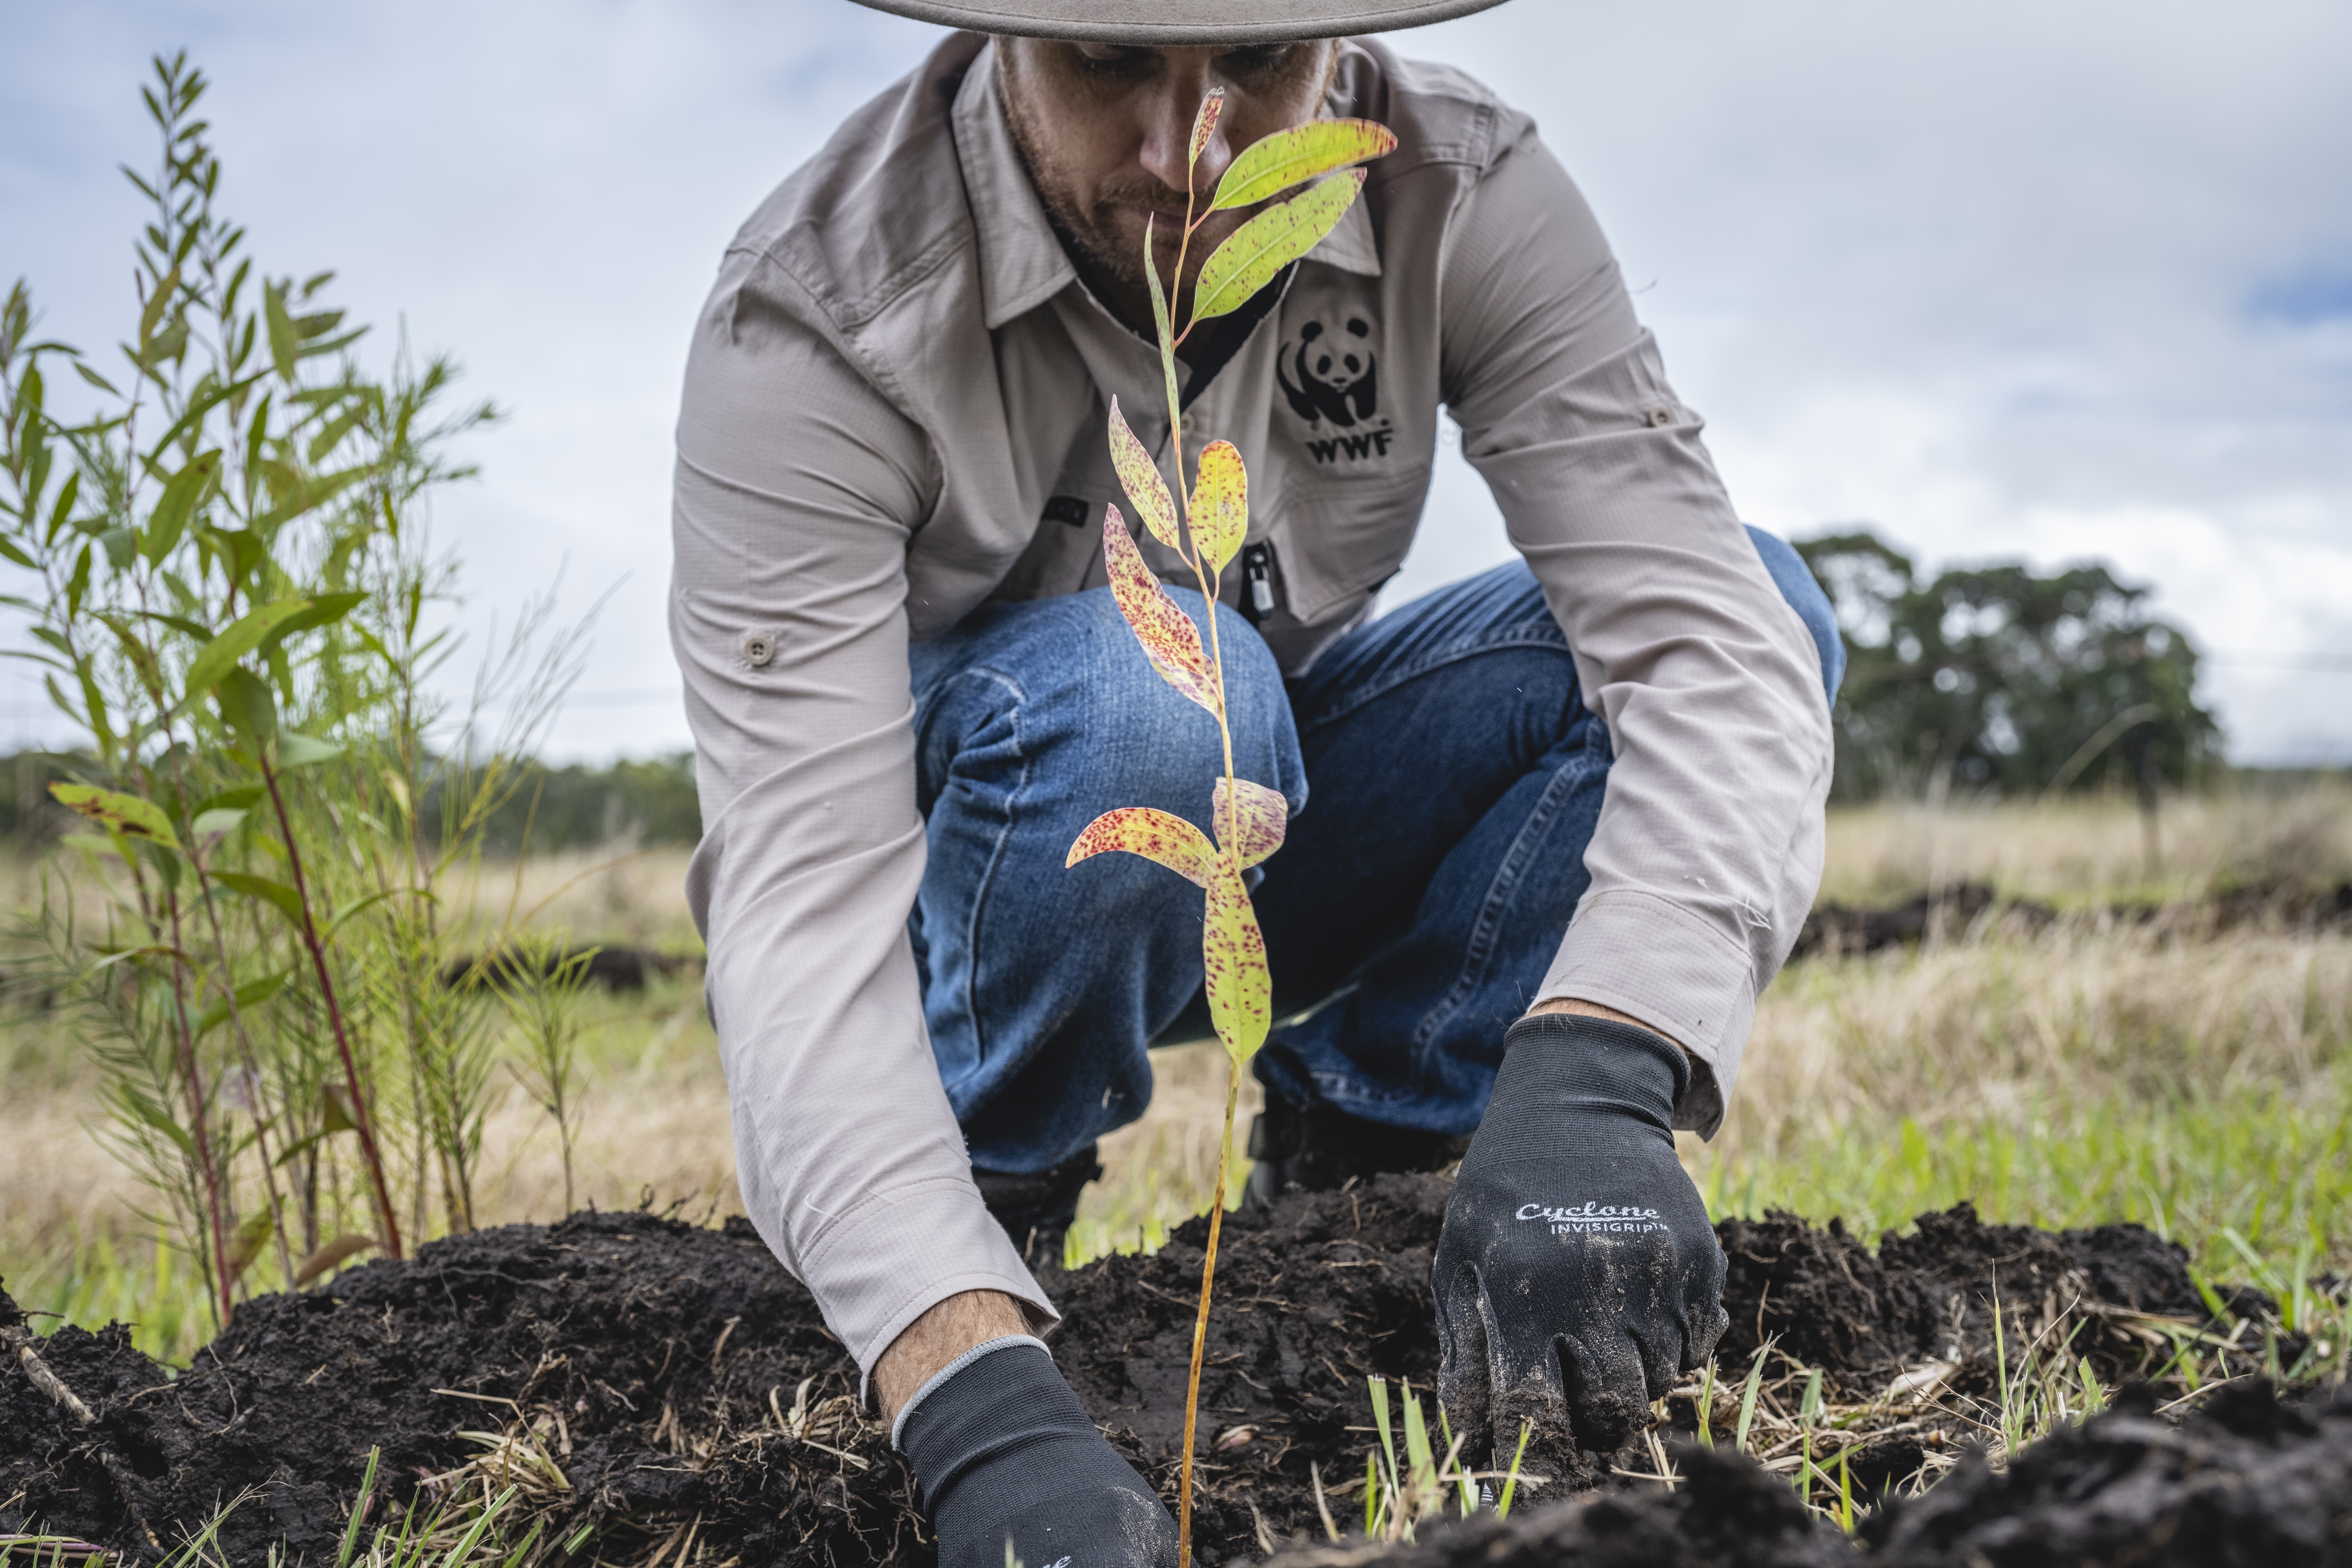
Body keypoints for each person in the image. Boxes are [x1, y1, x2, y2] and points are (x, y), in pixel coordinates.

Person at [669, 1, 1840, 1562]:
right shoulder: (824, 314)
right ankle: (993, 1197)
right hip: (969, 881)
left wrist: (1605, 1065)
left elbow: (1708, 643)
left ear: (1340, 53)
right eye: (1109, 67)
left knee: (1766, 594)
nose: (1191, 151)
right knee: (1159, 685)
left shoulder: (1458, 190)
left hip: (1281, 795)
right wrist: (974, 1412)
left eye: (1256, 70)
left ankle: (1372, 1155)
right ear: (1004, 41)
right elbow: (800, 911)